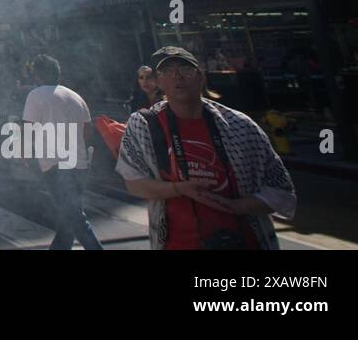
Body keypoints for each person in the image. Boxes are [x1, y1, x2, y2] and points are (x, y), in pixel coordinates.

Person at [117, 46, 296, 250]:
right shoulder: (144, 125)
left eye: (185, 68)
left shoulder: (240, 125)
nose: (177, 76)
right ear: (158, 82)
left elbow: (281, 190)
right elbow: (134, 183)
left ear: (201, 76)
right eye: (167, 71)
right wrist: (178, 189)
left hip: (245, 242)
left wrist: (238, 206)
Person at [22, 54, 103, 251]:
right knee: (69, 215)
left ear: (37, 76)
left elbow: (28, 129)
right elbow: (87, 131)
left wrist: (25, 154)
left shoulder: (36, 95)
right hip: (80, 164)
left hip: (55, 165)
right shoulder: (74, 96)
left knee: (75, 218)